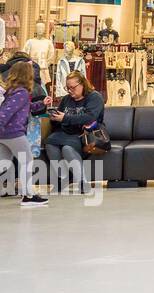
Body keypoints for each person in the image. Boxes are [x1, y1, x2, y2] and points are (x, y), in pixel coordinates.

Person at [44, 70, 105, 194]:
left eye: (73, 87)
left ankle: (82, 182)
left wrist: (65, 118)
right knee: (50, 143)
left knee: (67, 148)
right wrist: (54, 118)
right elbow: (60, 119)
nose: (70, 90)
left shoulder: (94, 97)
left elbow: (90, 118)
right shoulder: (66, 99)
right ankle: (62, 178)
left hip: (84, 134)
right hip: (65, 131)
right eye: (68, 88)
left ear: (82, 84)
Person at [0, 60, 48, 207]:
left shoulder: (14, 91)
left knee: (3, 163)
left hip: (5, 135)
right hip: (13, 133)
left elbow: (27, 107)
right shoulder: (21, 92)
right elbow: (4, 113)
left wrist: (42, 104)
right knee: (26, 161)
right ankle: (28, 195)